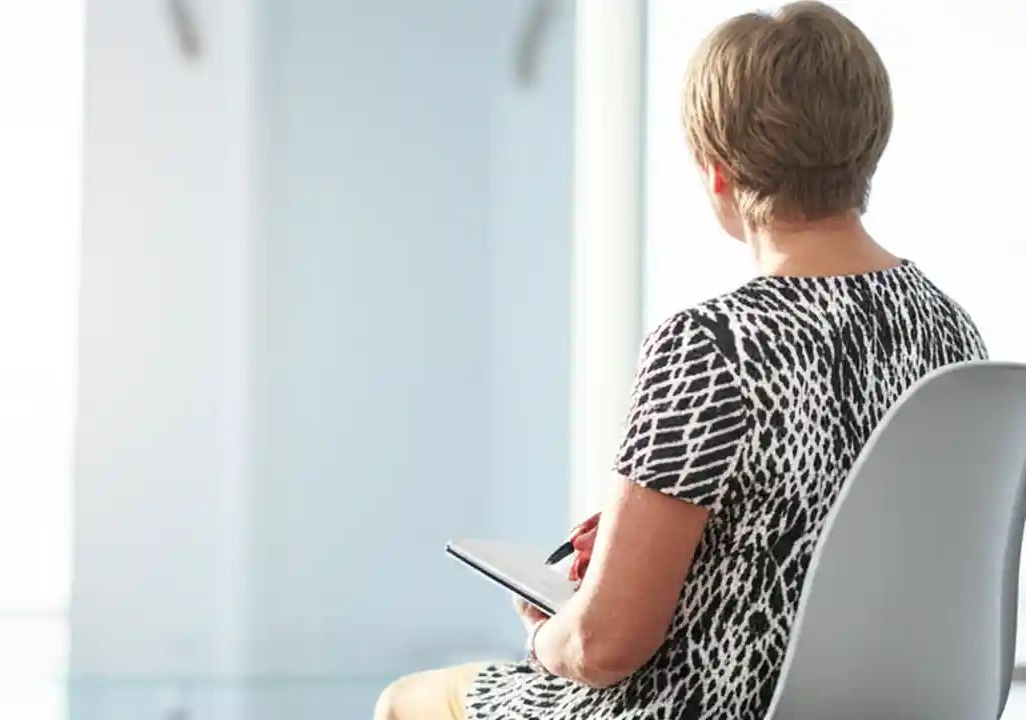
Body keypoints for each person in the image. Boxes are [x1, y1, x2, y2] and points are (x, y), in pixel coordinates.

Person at [374, 2, 987, 719]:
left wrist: (549, 636)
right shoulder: (951, 336)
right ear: (869, 144)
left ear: (718, 173)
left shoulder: (709, 345)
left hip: (701, 705)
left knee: (410, 701)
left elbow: (606, 648)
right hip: (883, 706)